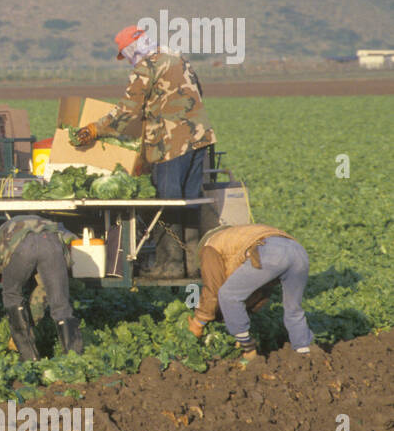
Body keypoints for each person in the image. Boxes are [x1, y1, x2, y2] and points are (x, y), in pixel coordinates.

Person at [71, 25, 216, 277]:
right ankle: (195, 266)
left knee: (167, 202)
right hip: (199, 139)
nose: (128, 60)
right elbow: (198, 94)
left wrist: (95, 129)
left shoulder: (146, 67)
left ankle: (170, 266)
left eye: (126, 55)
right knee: (191, 201)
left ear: (131, 50)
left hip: (170, 144)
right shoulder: (179, 59)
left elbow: (127, 111)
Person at [188, 224, 314, 360]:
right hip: (298, 251)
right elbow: (260, 291)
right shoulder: (236, 239)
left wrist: (198, 323)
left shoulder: (209, 247)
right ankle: (304, 353)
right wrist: (239, 325)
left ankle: (248, 349)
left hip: (270, 251)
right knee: (293, 309)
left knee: (228, 295)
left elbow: (213, 289)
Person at [0, 215, 83, 361]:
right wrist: (32, 319)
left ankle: (28, 356)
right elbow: (43, 290)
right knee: (60, 304)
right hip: (52, 241)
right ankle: (75, 359)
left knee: (12, 294)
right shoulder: (2, 236)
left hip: (22, 244)